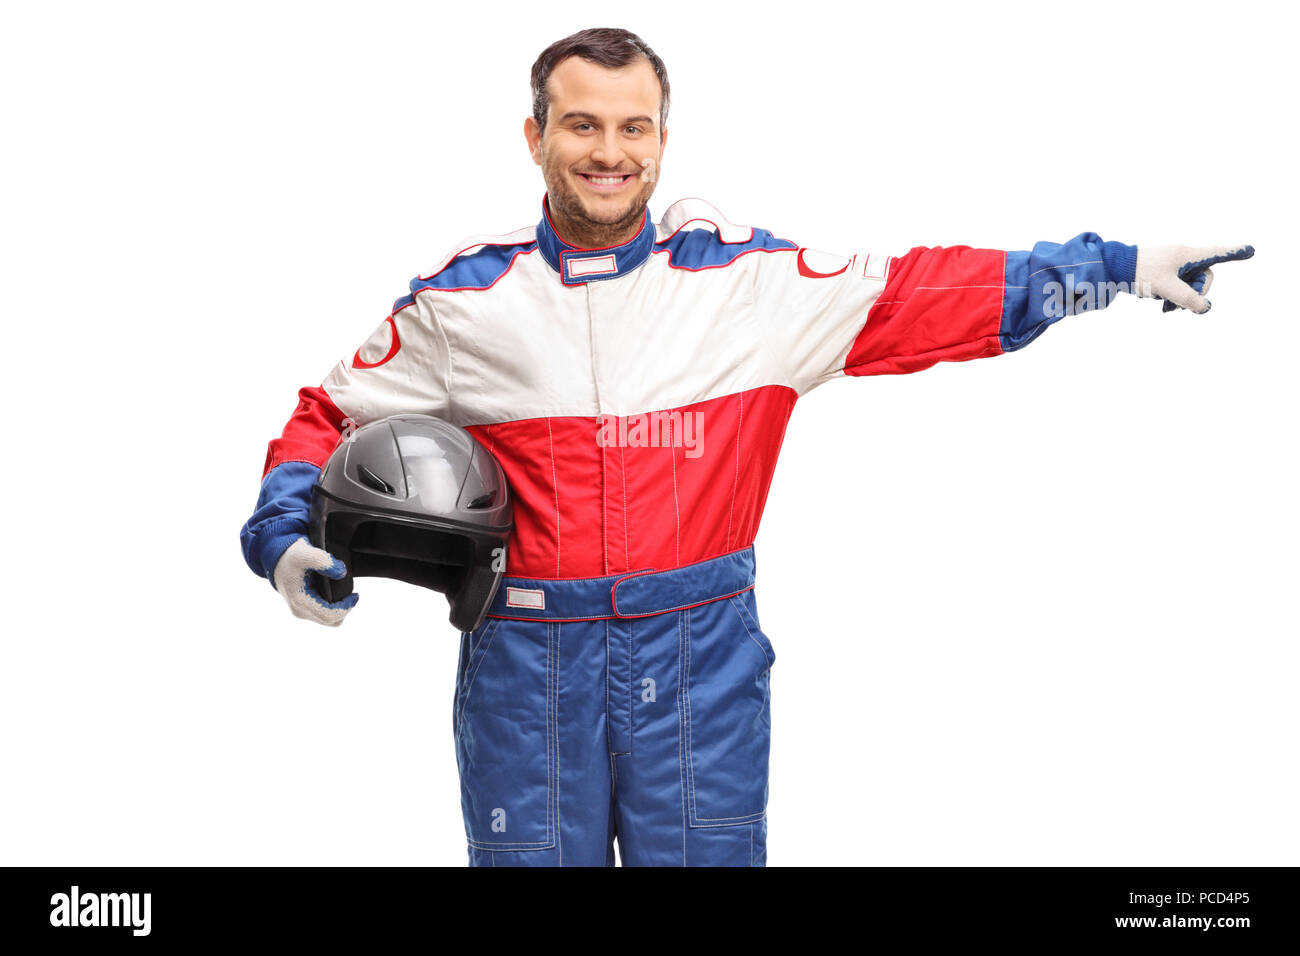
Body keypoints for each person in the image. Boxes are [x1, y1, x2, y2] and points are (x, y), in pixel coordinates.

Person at [239, 27, 1254, 867]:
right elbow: (326, 414)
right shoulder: (463, 303)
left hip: (698, 663)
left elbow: (928, 293)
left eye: (633, 127)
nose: (609, 152)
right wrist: (283, 538)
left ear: (664, 140)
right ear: (534, 134)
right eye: (581, 124)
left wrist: (1115, 268)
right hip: (526, 667)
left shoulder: (751, 285)